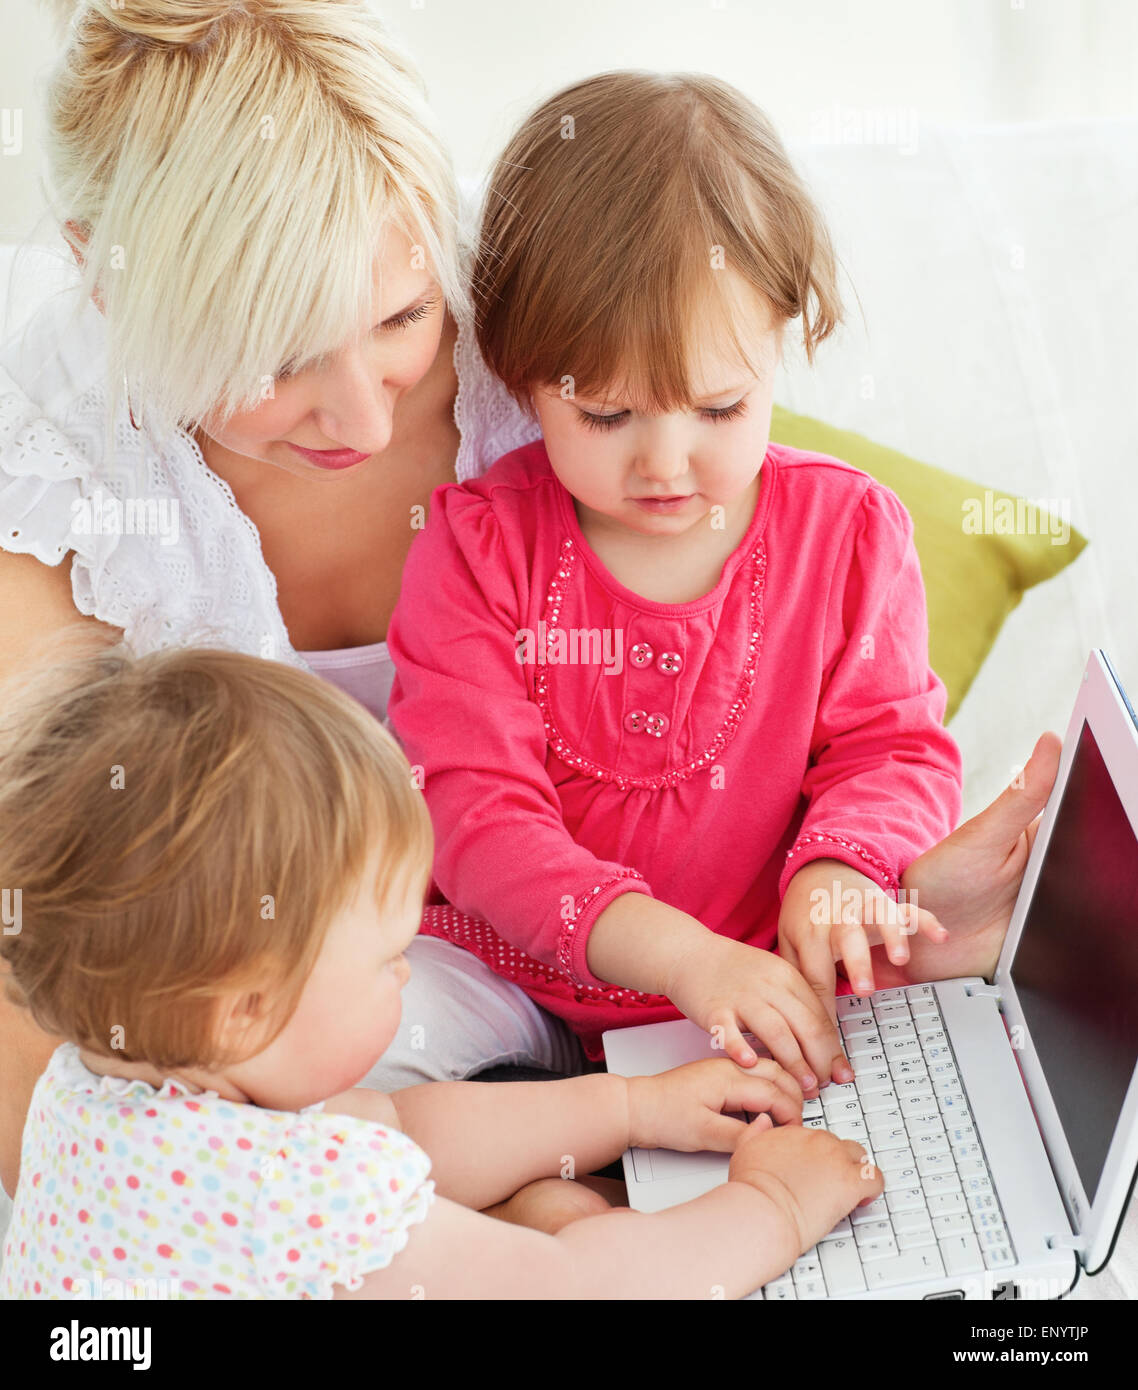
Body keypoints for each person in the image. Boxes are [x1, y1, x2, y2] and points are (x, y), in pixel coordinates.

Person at [0, 0, 1063, 1198]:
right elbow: (57, 993)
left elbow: (869, 731)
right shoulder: (449, 529)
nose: (367, 418)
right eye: (276, 359)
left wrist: (862, 881)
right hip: (444, 975)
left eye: (404, 318)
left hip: (738, 961)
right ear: (100, 270)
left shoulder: (581, 329)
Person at [384, 71, 964, 1093]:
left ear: (784, 339)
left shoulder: (847, 531)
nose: (664, 463)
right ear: (521, 377)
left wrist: (835, 874)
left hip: (761, 980)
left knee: (957, 986)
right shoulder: (475, 548)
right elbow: (478, 819)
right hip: (512, 981)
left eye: (717, 407)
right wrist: (679, 958)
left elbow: (892, 748)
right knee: (363, 1051)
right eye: (607, 416)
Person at [0, 644, 880, 1300]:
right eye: (389, 960)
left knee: (553, 1204)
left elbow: (397, 1125)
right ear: (245, 1011)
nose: (404, 975)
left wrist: (629, 1107)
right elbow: (575, 1291)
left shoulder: (92, 1087)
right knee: (572, 1230)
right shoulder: (289, 1195)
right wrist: (776, 1205)